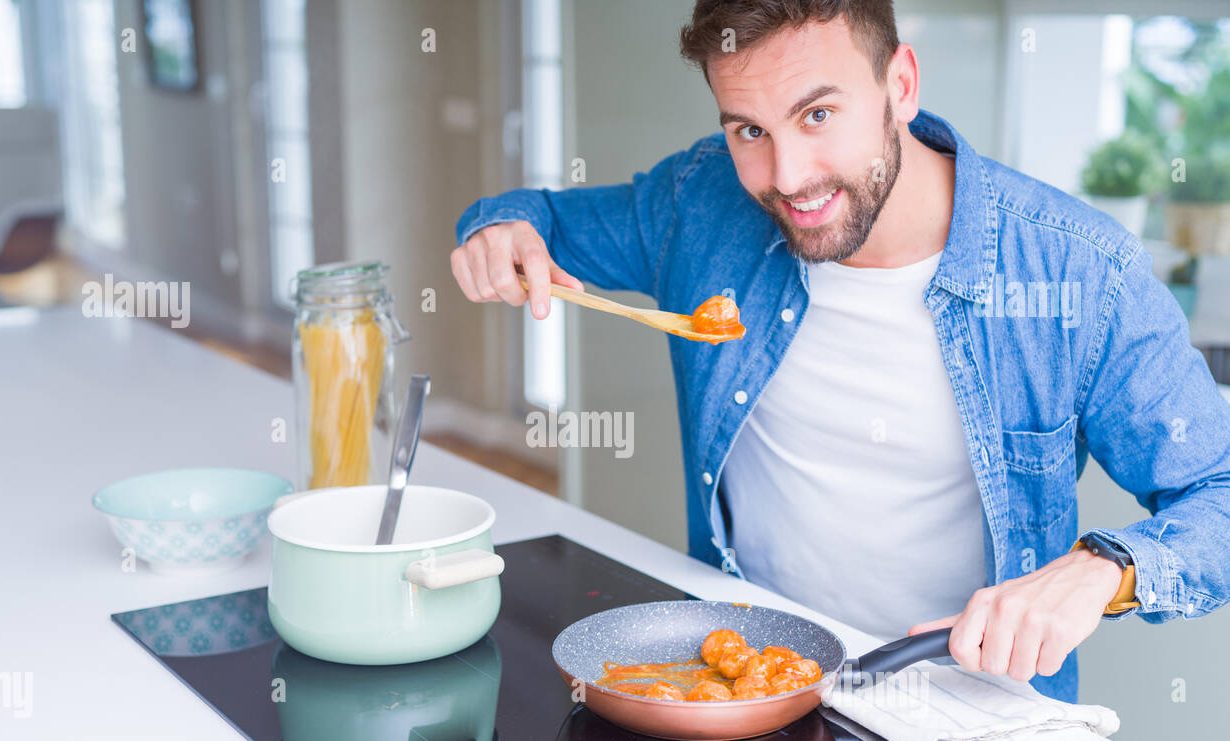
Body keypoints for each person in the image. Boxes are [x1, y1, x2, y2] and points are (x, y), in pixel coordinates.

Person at [449, 0, 1230, 704]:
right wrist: (498, 230)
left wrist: (1101, 568)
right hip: (750, 694)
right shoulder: (703, 199)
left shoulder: (1079, 270)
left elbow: (1219, 493)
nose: (787, 177)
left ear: (901, 84)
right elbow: (535, 219)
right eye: (749, 129)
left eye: (817, 114)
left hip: (978, 722)